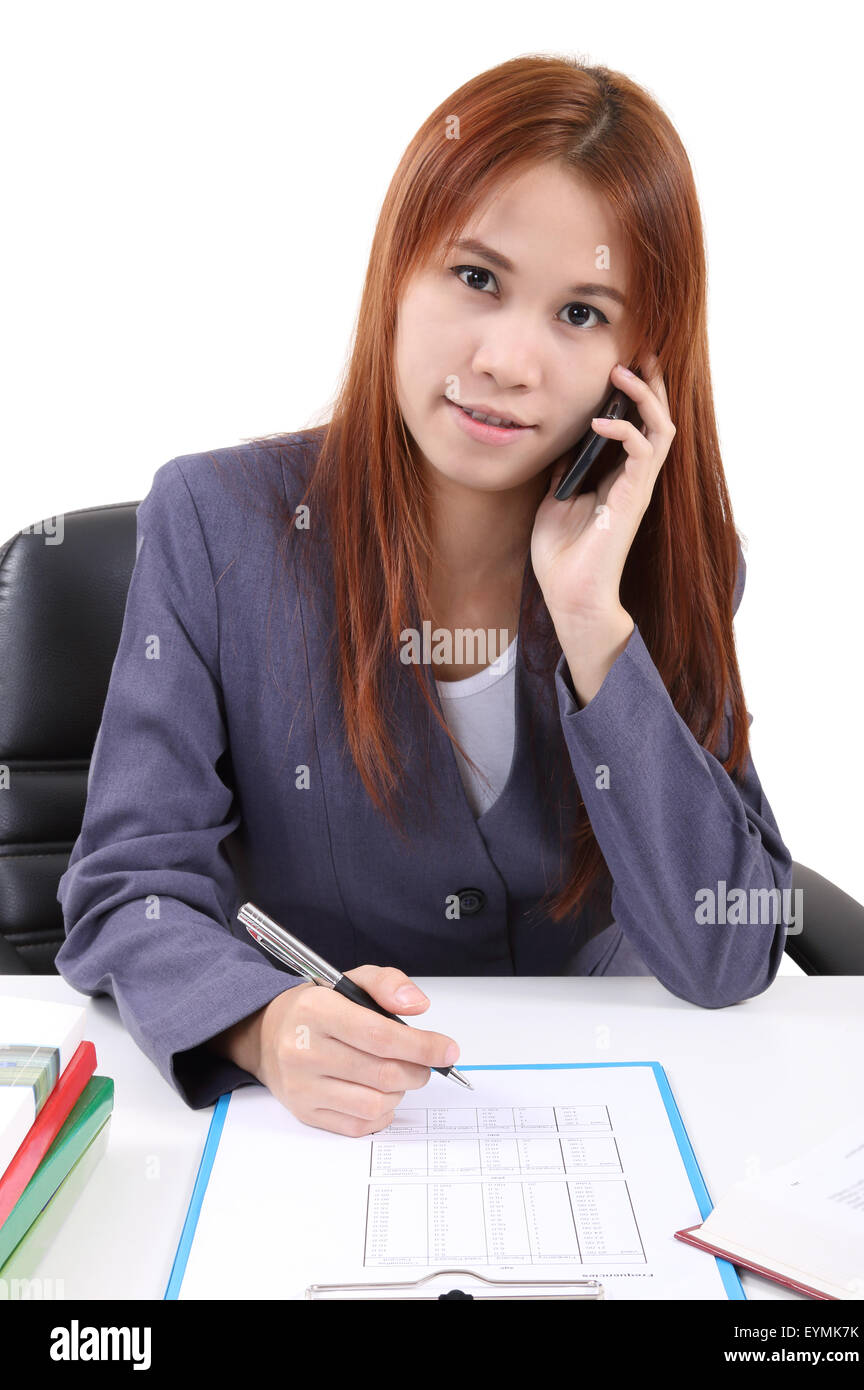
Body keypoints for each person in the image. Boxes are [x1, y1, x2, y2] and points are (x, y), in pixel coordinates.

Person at [56, 55, 793, 1138]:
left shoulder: (665, 562)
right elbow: (127, 888)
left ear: (640, 364)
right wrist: (266, 1027)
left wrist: (594, 623)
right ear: (396, 274)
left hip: (603, 1126)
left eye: (582, 313)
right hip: (316, 1137)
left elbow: (728, 950)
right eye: (478, 278)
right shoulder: (216, 526)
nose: (507, 360)